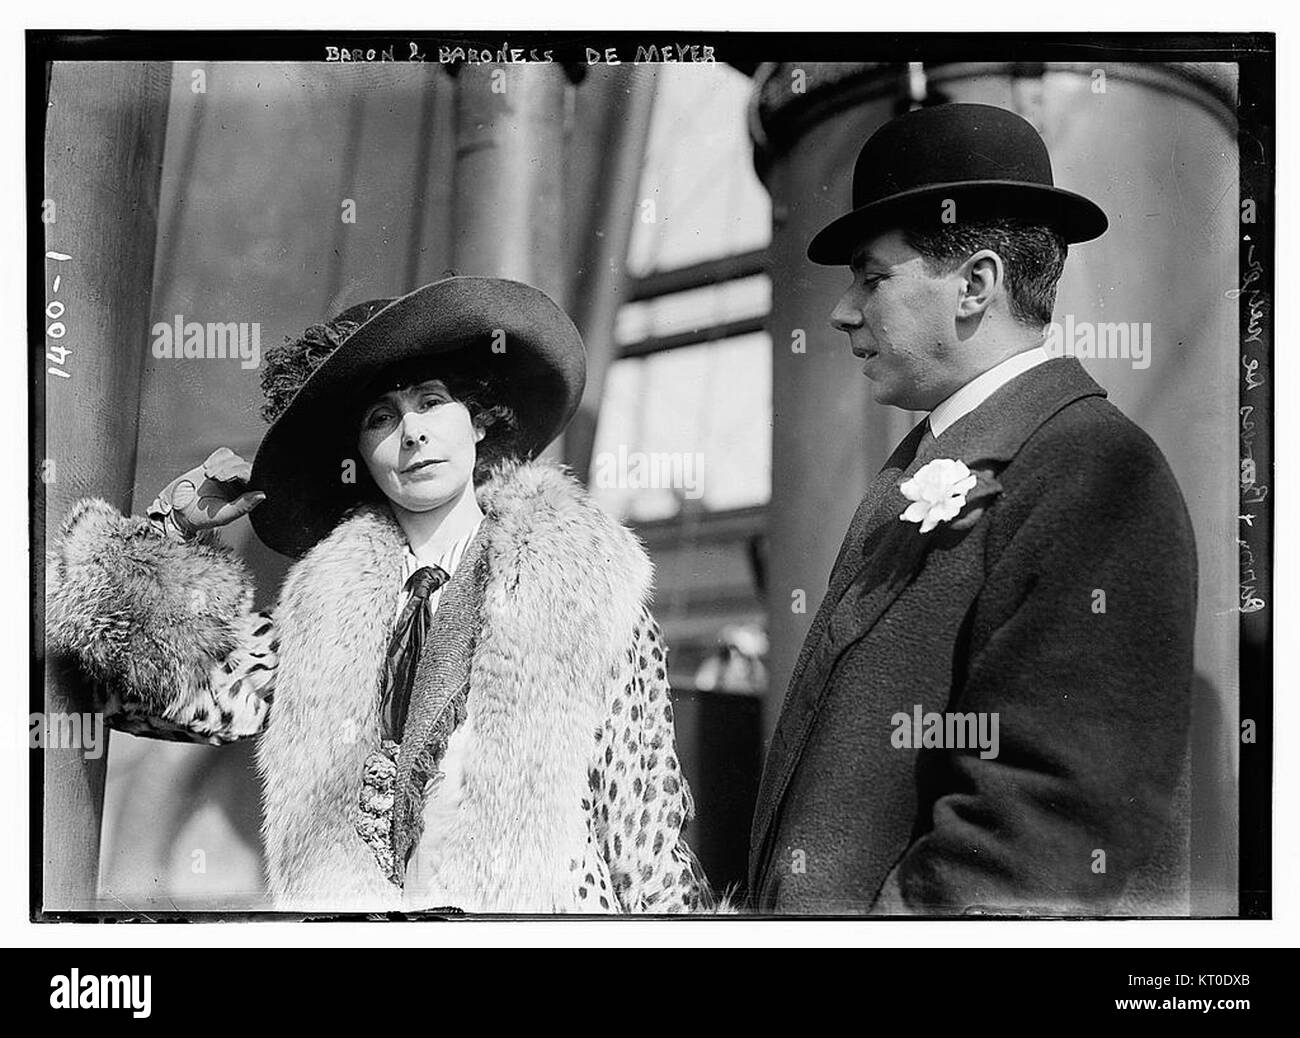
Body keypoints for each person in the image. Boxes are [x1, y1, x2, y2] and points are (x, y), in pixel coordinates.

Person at [47, 276, 720, 914]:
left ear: (479, 419)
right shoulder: (325, 611)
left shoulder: (582, 581)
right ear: (361, 455)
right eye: (380, 418)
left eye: (432, 402)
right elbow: (155, 695)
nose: (413, 433)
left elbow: (645, 827)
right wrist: (173, 529)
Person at [747, 103, 1198, 915]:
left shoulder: (1092, 472)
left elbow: (1040, 842)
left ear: (976, 285)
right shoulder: (943, 462)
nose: (843, 310)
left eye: (872, 275)